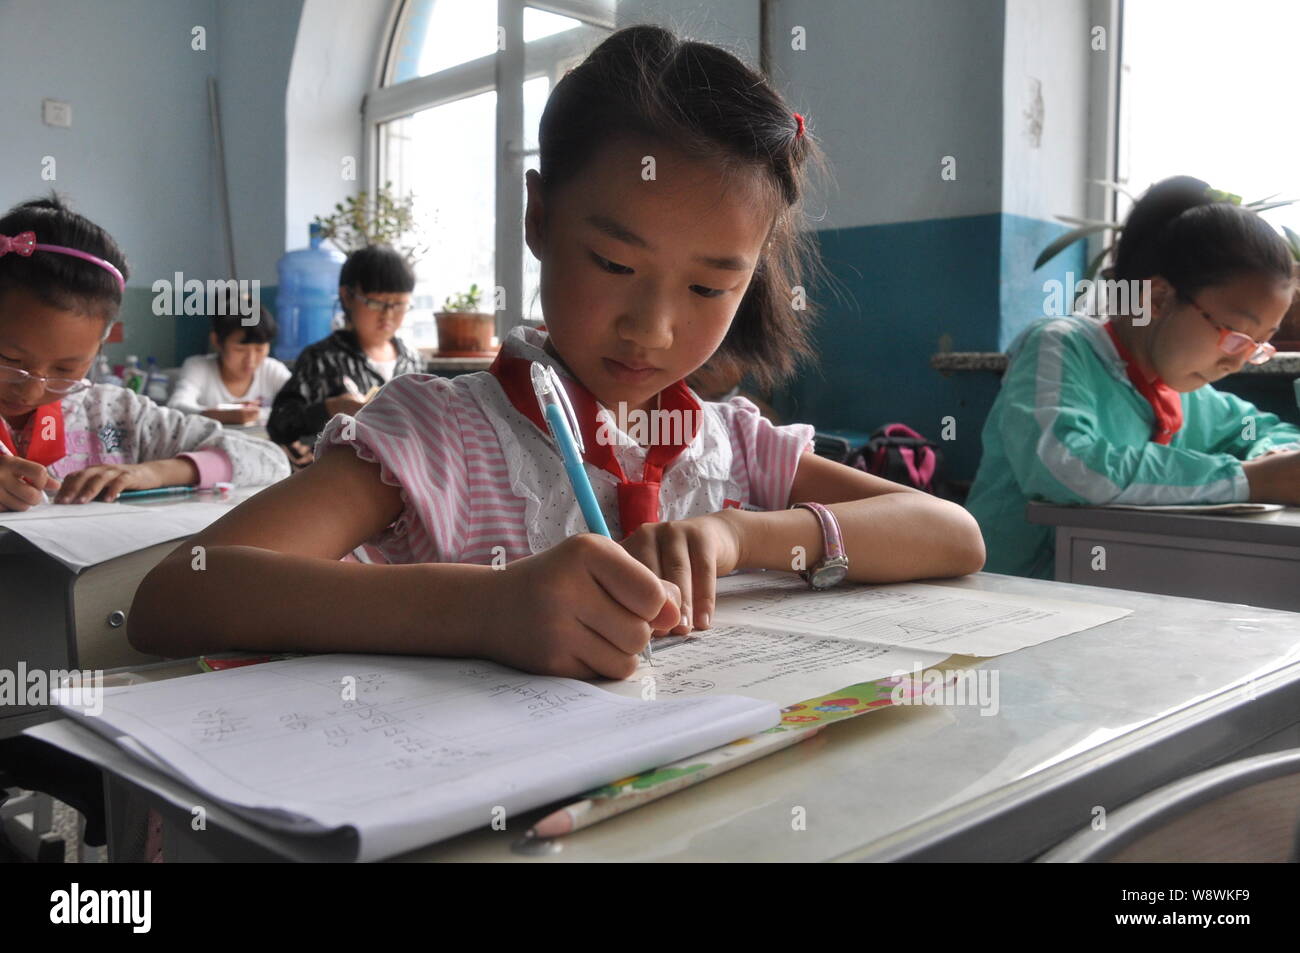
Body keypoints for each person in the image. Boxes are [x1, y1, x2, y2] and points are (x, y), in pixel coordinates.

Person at [130, 26, 985, 674]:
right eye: (614, 263)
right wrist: (487, 609)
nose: (651, 329)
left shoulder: (730, 444)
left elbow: (951, 533)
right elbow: (178, 594)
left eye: (708, 286)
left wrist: (739, 537)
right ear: (539, 217)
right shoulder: (442, 435)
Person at [967, 175, 1300, 577]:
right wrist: (1248, 480)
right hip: (1003, 597)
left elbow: (1263, 431)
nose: (1239, 362)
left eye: (1258, 346)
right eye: (1236, 336)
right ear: (1158, 298)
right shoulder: (1060, 347)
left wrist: (1275, 459)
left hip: (1096, 599)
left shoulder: (1186, 391)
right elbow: (1066, 468)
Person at [0, 195, 289, 511]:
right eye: (10, 360)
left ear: (99, 347)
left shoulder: (115, 415)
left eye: (66, 369)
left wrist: (155, 471)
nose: (31, 390)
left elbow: (270, 461)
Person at [267, 244, 421, 465]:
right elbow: (279, 424)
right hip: (340, 478)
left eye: (399, 305)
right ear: (347, 297)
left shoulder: (412, 361)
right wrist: (332, 408)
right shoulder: (321, 359)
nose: (387, 315)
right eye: (376, 303)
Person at [168, 304, 291, 426]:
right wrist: (220, 416)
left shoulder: (272, 370)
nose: (251, 360)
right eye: (240, 350)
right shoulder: (198, 367)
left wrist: (257, 414)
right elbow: (176, 407)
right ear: (216, 341)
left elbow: (301, 405)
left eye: (259, 349)